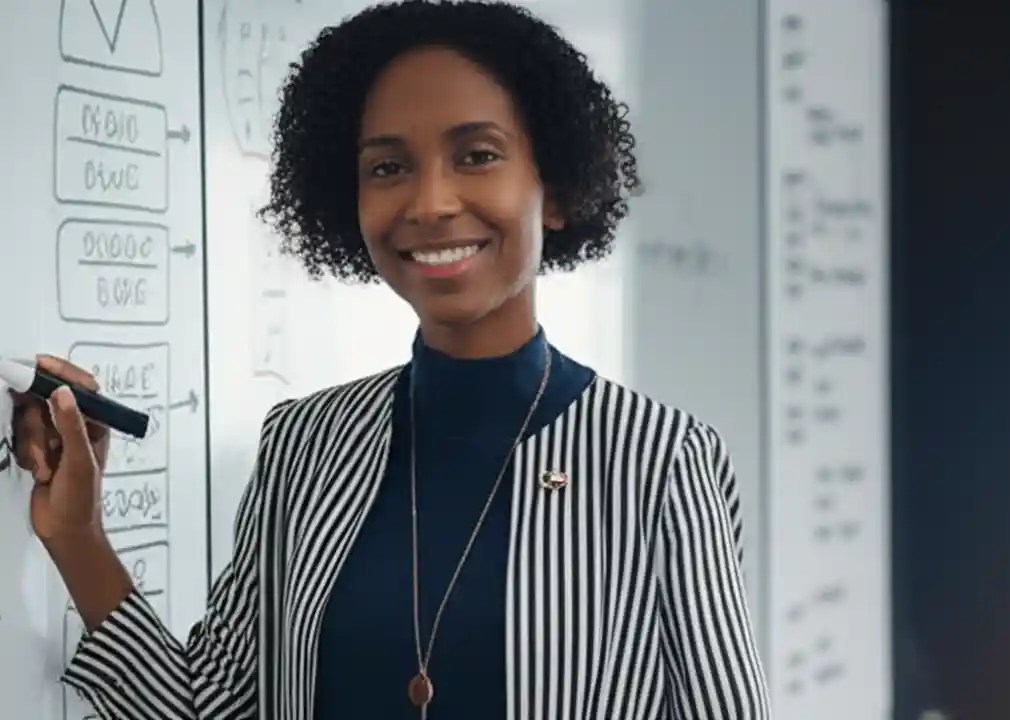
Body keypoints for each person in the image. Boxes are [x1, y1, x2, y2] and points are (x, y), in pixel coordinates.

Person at [9, 1, 770, 719]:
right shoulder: (303, 446)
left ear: (556, 190)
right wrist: (78, 535)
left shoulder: (661, 462)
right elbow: (206, 709)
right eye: (387, 167)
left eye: (477, 155)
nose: (430, 202)